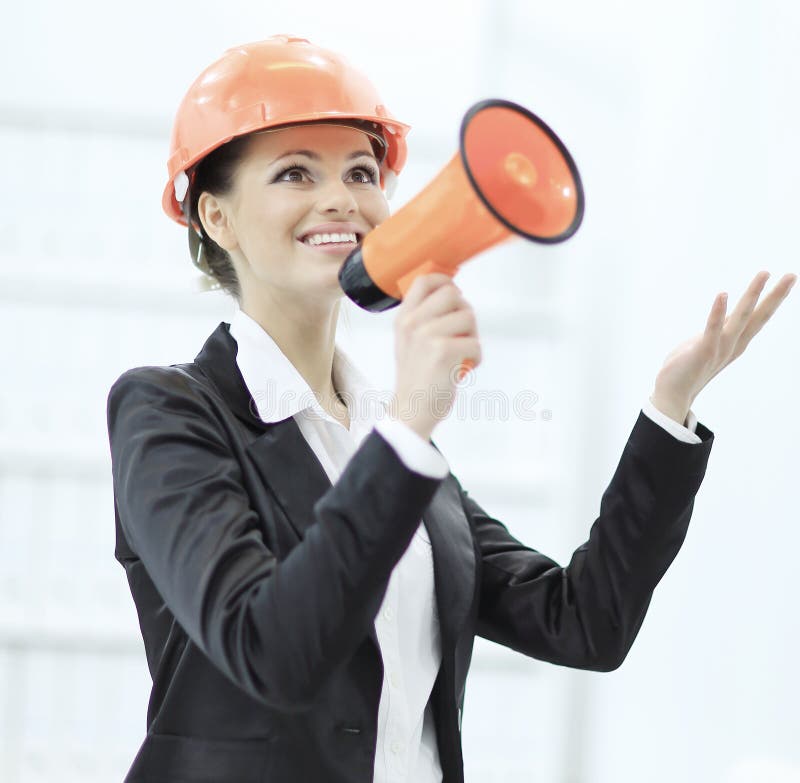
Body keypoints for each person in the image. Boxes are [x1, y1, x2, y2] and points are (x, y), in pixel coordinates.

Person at [106, 34, 796, 783]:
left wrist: (671, 403)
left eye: (362, 172)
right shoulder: (169, 412)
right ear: (216, 217)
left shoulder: (388, 436)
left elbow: (583, 622)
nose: (340, 197)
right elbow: (270, 650)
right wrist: (408, 425)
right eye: (295, 172)